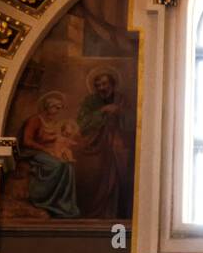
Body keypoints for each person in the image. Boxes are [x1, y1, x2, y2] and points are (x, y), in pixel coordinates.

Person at [76, 69, 133, 218]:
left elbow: (134, 122)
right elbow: (82, 123)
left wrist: (119, 112)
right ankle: (95, 212)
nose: (102, 87)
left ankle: (117, 212)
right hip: (96, 143)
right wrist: (102, 111)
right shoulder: (90, 101)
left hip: (118, 142)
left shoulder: (122, 99)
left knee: (120, 172)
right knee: (94, 174)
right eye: (98, 85)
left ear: (112, 84)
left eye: (104, 83)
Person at [16, 91, 80, 218]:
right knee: (56, 165)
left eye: (59, 108)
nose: (57, 110)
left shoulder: (55, 123)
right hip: (32, 152)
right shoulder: (35, 120)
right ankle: (43, 199)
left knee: (68, 166)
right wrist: (45, 150)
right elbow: (26, 141)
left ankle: (62, 204)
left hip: (48, 152)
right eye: (55, 107)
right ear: (47, 106)